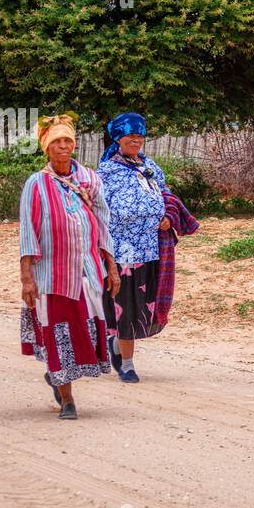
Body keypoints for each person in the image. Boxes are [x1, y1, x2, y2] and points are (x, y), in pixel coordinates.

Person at [19, 113, 120, 419]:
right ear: (46, 148)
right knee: (58, 333)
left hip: (87, 272)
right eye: (56, 142)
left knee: (80, 332)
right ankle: (68, 399)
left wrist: (111, 266)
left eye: (67, 141)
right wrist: (27, 279)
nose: (63, 147)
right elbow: (28, 231)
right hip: (52, 275)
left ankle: (57, 378)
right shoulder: (36, 184)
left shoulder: (90, 180)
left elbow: (104, 224)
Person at [97, 112, 169, 383]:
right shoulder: (107, 172)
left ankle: (115, 341)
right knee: (125, 306)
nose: (136, 140)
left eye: (140, 136)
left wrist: (167, 216)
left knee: (142, 305)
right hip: (122, 252)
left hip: (149, 250)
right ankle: (127, 363)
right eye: (131, 136)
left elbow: (165, 192)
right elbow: (105, 210)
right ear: (118, 139)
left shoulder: (150, 166)